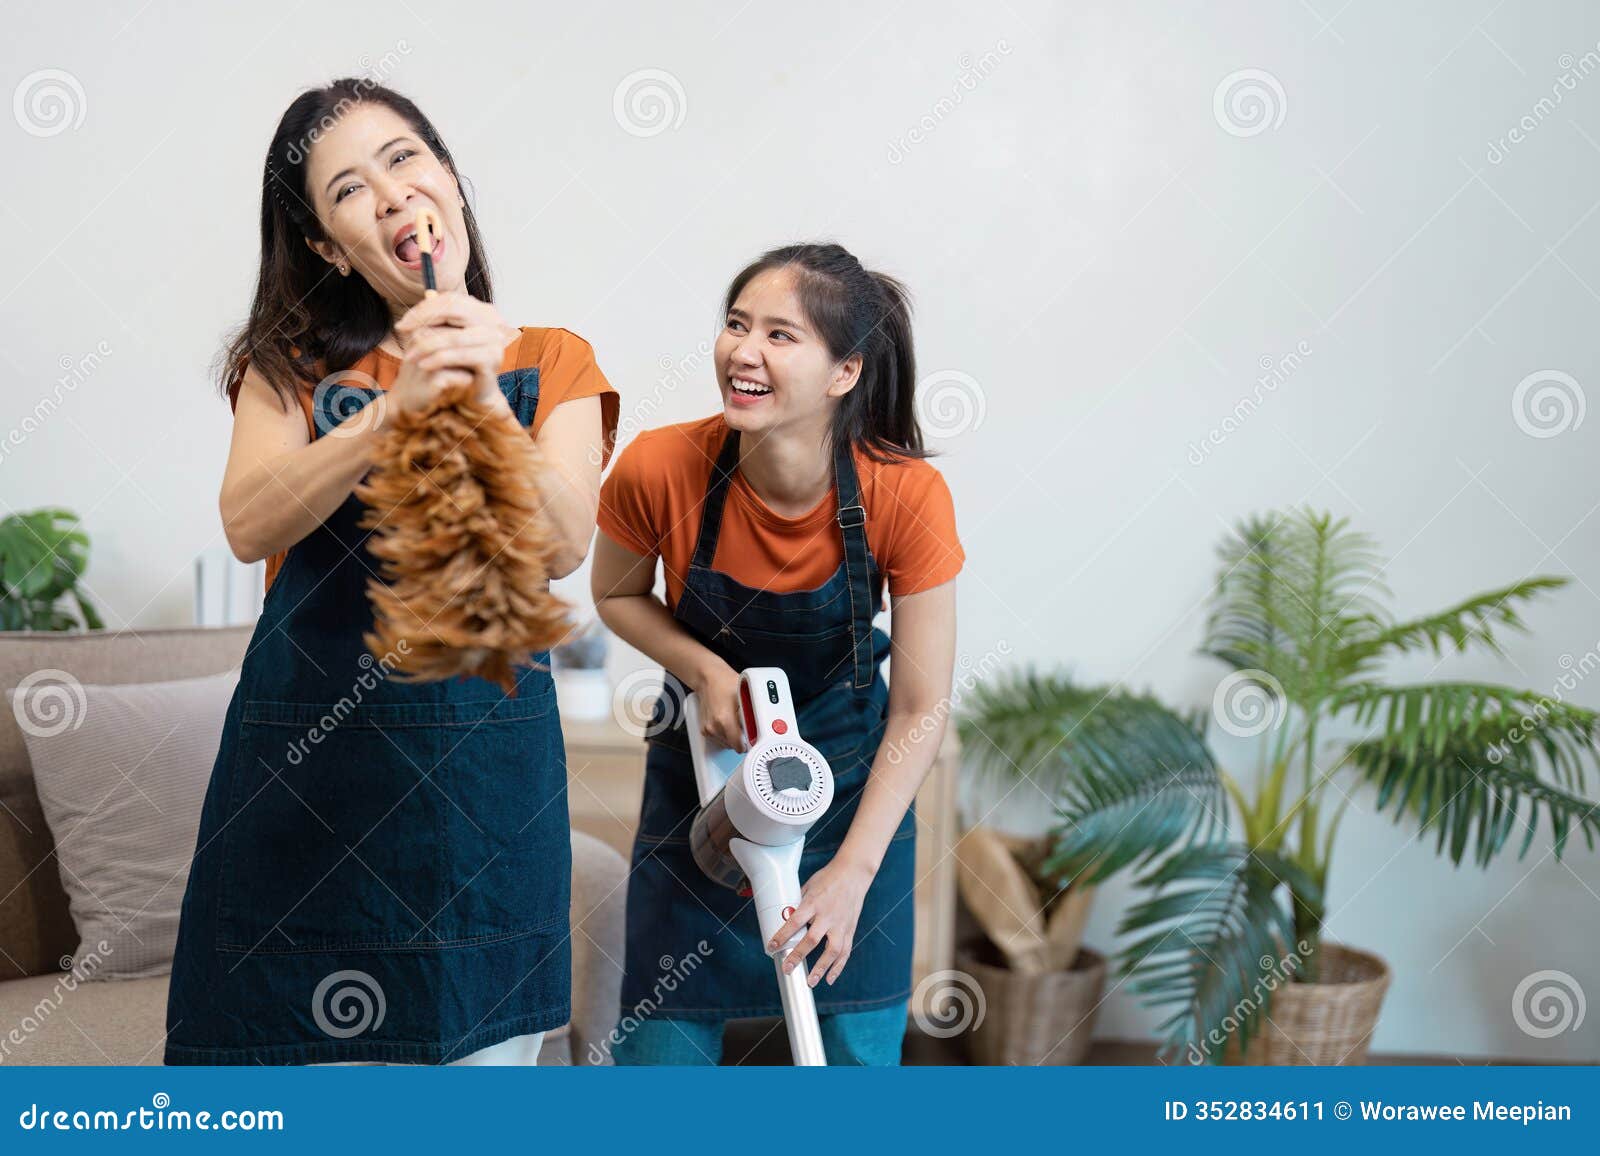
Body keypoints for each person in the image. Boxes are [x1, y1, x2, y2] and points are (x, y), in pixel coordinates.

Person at [165, 79, 618, 1065]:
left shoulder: (555, 360)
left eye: (405, 158)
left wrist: (481, 388)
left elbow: (556, 546)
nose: (390, 193)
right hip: (309, 798)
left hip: (485, 811)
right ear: (330, 247)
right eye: (347, 190)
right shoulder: (290, 365)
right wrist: (393, 406)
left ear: (448, 183)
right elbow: (249, 521)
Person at [592, 242, 961, 1065]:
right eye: (735, 324)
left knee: (855, 1069)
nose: (743, 351)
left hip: (852, 805)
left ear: (844, 374)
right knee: (661, 1064)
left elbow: (920, 707)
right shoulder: (661, 467)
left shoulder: (905, 494)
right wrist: (705, 670)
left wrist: (853, 874)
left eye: (780, 335)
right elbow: (614, 595)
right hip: (704, 795)